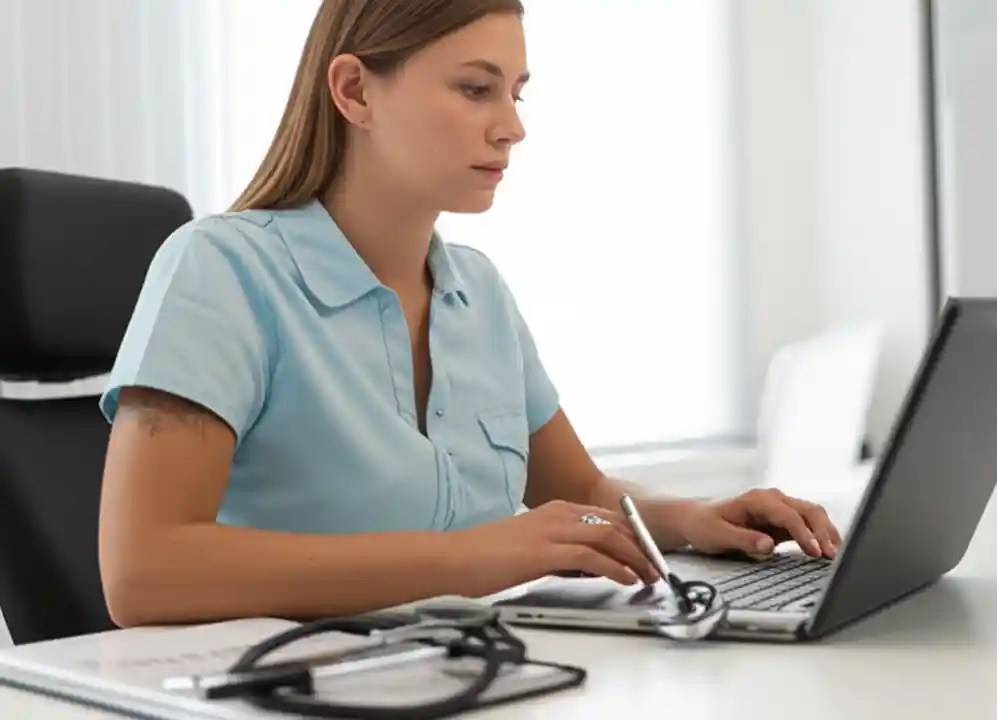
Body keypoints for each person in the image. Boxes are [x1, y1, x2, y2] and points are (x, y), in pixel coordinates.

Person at [98, 0, 842, 627]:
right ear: (355, 92)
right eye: (476, 89)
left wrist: (694, 518)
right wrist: (474, 557)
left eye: (516, 93)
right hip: (297, 688)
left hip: (480, 666)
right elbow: (143, 573)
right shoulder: (222, 269)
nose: (512, 126)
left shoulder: (477, 291)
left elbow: (579, 494)